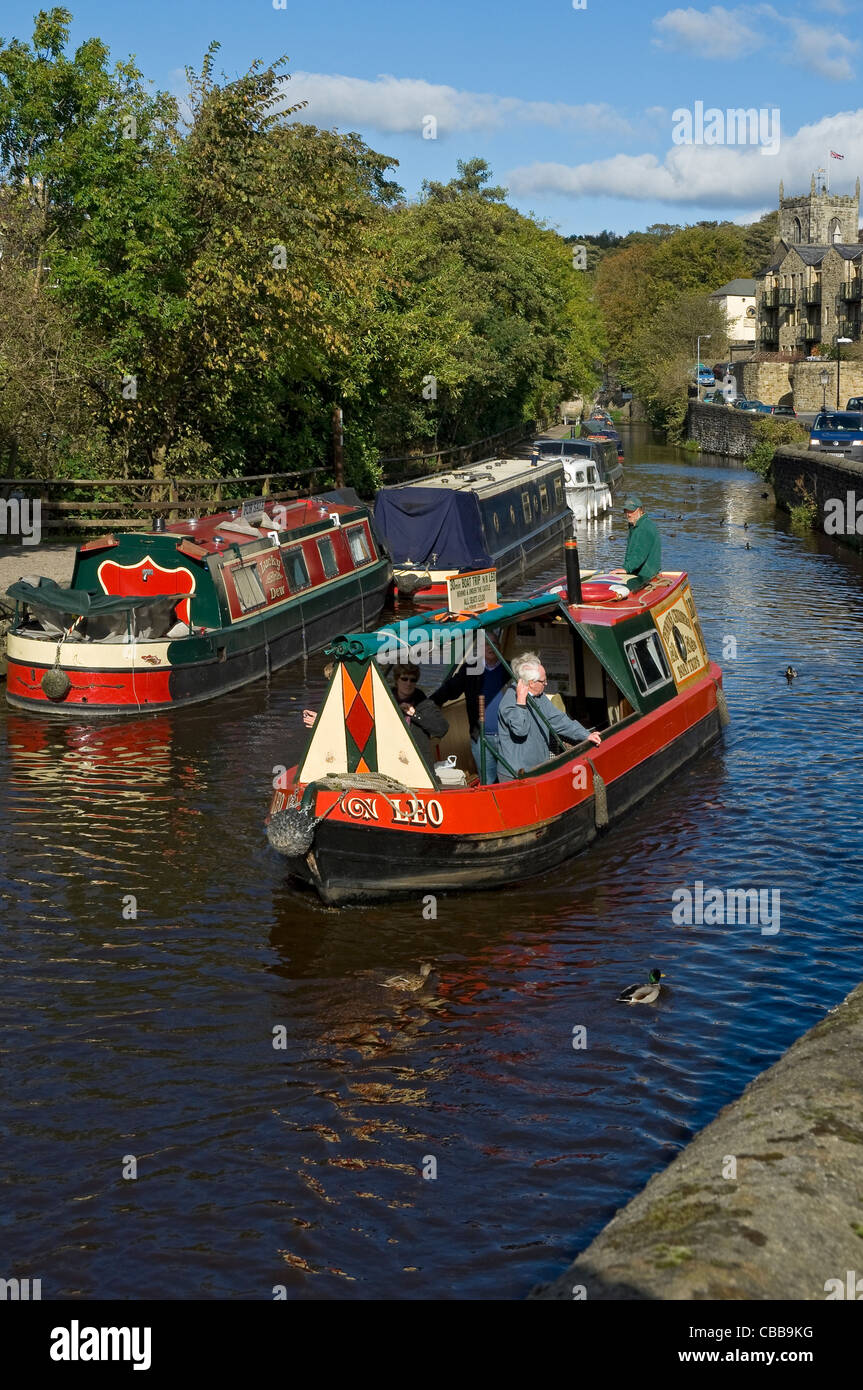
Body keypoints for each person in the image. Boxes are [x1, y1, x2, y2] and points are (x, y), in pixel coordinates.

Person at [496, 652, 601, 782]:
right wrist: (521, 703)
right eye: (543, 681)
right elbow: (520, 730)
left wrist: (585, 735)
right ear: (531, 683)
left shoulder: (540, 697)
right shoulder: (509, 701)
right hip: (517, 774)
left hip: (539, 767)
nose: (546, 683)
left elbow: (559, 720)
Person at [430, 633, 508, 782]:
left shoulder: (509, 669)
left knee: (509, 779)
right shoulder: (470, 669)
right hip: (480, 737)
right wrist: (424, 705)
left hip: (507, 737)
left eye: (494, 643)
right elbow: (449, 690)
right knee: (487, 782)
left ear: (499, 647)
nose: (491, 647)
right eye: (486, 644)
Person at [619, 495, 662, 592]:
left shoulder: (645, 528)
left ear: (640, 510)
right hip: (636, 572)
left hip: (645, 575)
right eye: (626, 511)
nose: (628, 514)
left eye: (631, 511)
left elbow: (639, 555)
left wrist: (626, 569)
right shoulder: (634, 525)